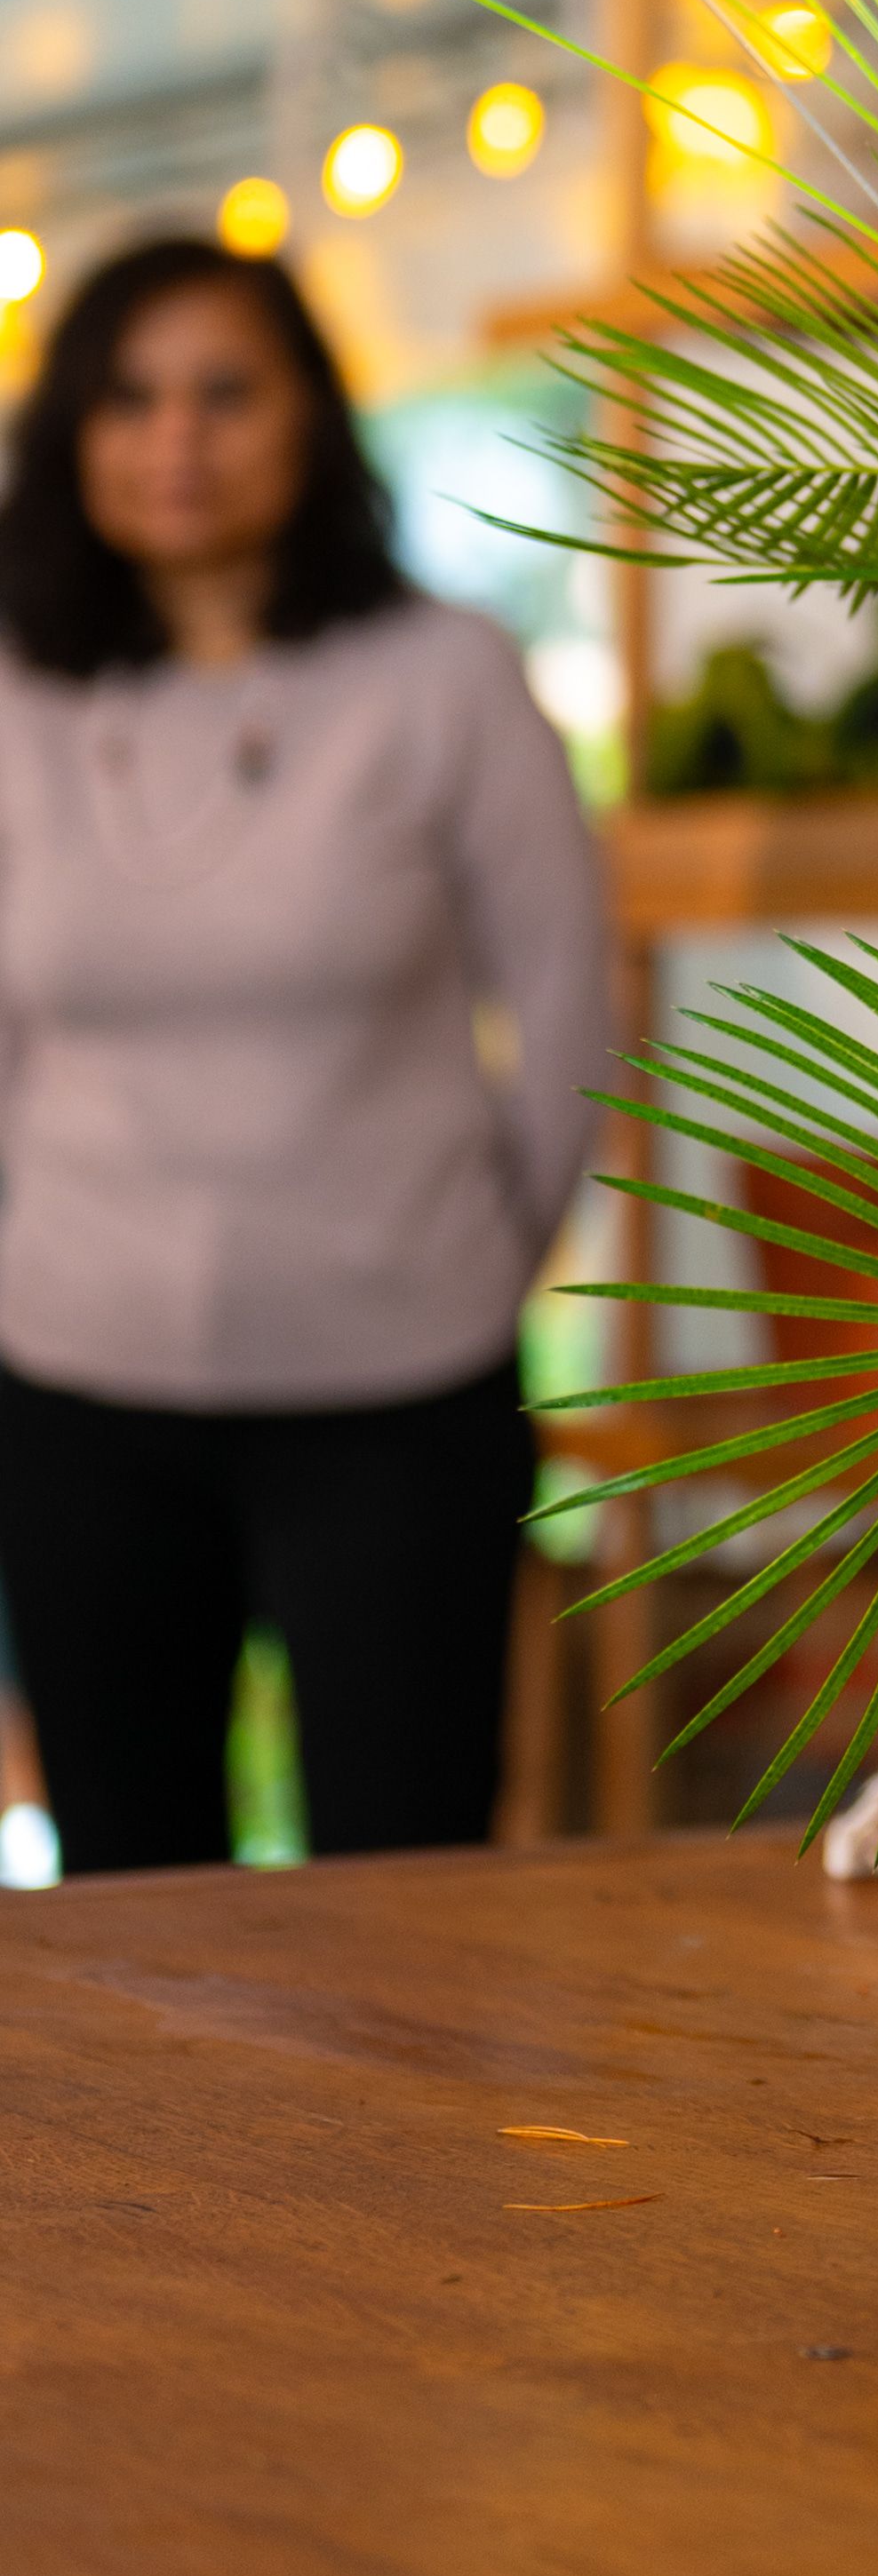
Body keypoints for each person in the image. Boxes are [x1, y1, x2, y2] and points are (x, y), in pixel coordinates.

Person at [0, 234, 612, 1871]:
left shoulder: (445, 679)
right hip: (75, 1396)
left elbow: (565, 1012)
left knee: (407, 1908)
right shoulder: (13, 695)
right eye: (127, 398)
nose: (173, 438)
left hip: (395, 1395)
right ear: (70, 434)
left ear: (311, 421)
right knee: (129, 1916)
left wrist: (481, 1262)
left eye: (225, 392)